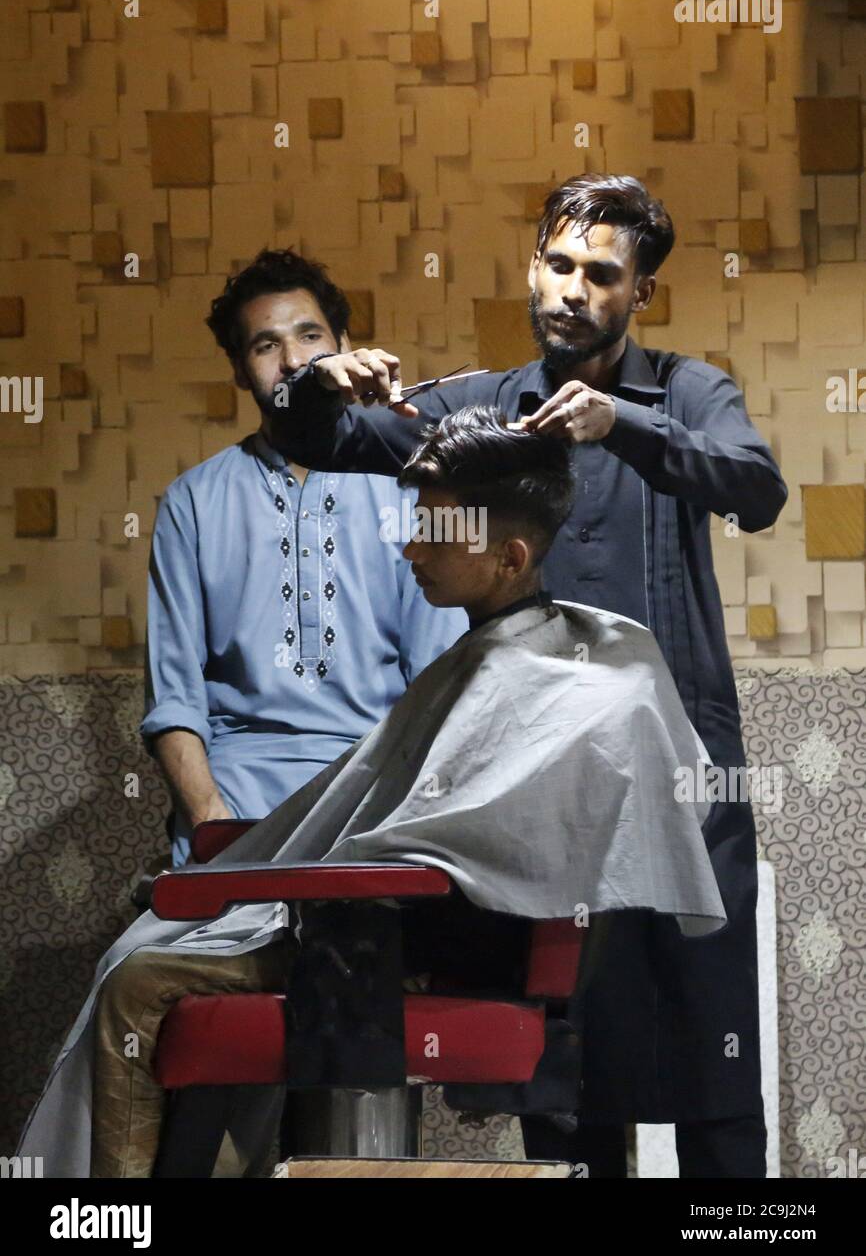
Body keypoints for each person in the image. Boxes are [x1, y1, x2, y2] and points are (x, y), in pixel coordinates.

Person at [17, 407, 726, 1179]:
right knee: (156, 944)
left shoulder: (550, 681)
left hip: (405, 947)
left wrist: (252, 881)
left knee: (134, 983)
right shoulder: (530, 656)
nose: (410, 546)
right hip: (395, 927)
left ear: (509, 556)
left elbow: (444, 845)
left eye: (436, 532)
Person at [267, 174, 789, 1178]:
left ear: (639, 293)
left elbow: (756, 488)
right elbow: (323, 440)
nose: (571, 291)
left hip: (681, 780)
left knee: (711, 1065)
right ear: (531, 264)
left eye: (601, 274)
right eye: (557, 264)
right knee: (569, 1074)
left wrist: (621, 426)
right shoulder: (475, 410)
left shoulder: (684, 392)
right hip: (546, 790)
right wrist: (315, 381)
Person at [141, 248, 465, 864]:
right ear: (240, 369)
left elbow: (439, 680)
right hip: (236, 800)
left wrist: (410, 816)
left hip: (377, 794)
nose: (292, 360)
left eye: (310, 336)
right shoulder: (193, 502)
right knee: (138, 964)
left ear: (343, 345)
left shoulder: (409, 487)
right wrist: (212, 822)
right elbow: (173, 698)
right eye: (265, 346)